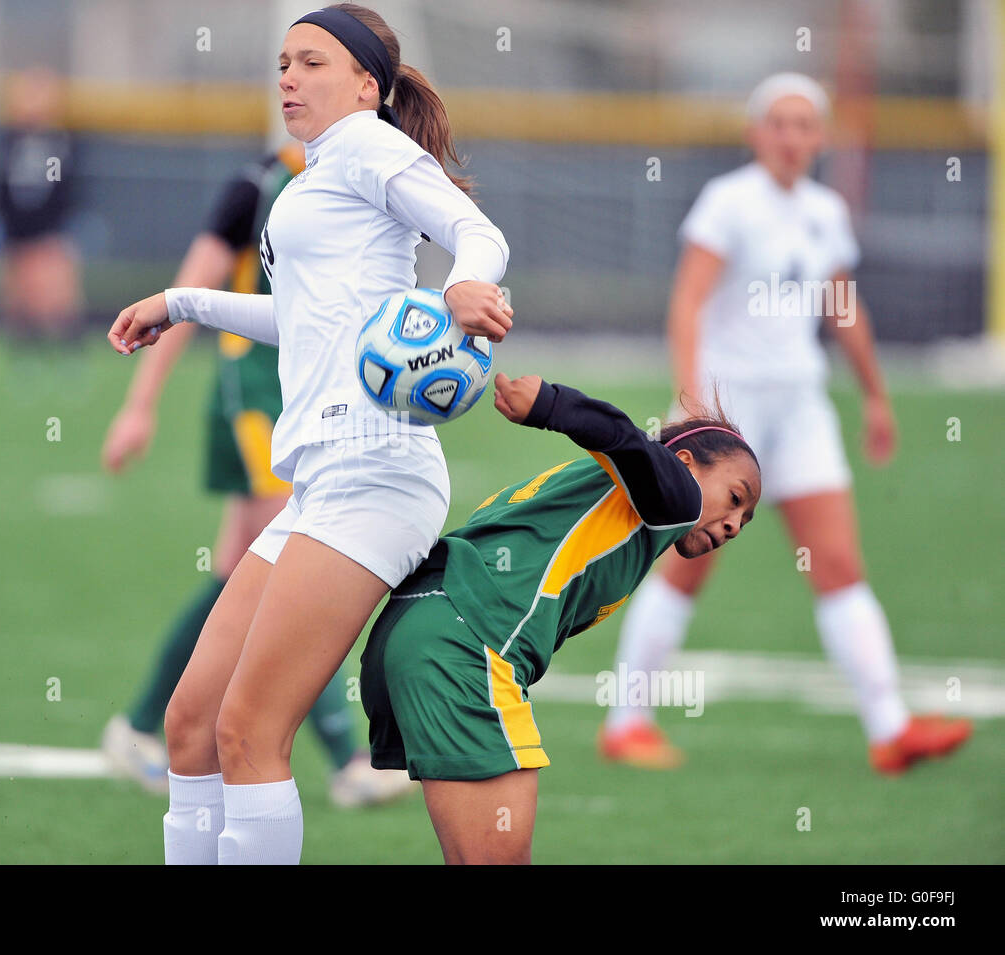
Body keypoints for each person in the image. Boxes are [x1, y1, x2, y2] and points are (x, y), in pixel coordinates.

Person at [108, 3, 513, 865]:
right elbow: (298, 316)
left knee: (250, 730)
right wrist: (179, 303)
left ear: (367, 85)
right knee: (192, 725)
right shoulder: (314, 172)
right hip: (322, 482)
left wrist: (462, 291)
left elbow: (477, 233)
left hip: (376, 473)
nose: (287, 76)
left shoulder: (368, 145)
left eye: (312, 62)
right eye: (283, 62)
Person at [598, 73, 972, 774]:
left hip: (801, 405)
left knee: (838, 564)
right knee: (689, 565)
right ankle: (626, 721)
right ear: (756, 131)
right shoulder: (727, 202)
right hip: (729, 411)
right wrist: (694, 403)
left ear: (821, 137)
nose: (793, 137)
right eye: (780, 122)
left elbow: (842, 307)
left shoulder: (826, 210)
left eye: (806, 125)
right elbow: (687, 303)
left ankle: (890, 729)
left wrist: (876, 394)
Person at [100, 140, 415, 808]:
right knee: (296, 562)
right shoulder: (258, 185)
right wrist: (140, 404)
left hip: (309, 389)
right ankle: (348, 756)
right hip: (256, 393)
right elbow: (187, 293)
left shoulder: (365, 174)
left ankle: (134, 726)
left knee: (239, 571)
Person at [360, 371, 762, 864]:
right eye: (736, 499)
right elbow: (624, 438)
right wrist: (550, 404)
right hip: (467, 646)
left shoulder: (610, 497)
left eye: (745, 521)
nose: (734, 524)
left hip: (416, 627)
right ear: (682, 464)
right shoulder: (677, 497)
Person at [0, 70, 83, 351]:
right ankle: (24, 352)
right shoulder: (8, 140)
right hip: (16, 229)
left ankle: (68, 350)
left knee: (56, 293)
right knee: (18, 294)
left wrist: (56, 225)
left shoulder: (59, 140)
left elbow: (66, 188)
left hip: (49, 228)